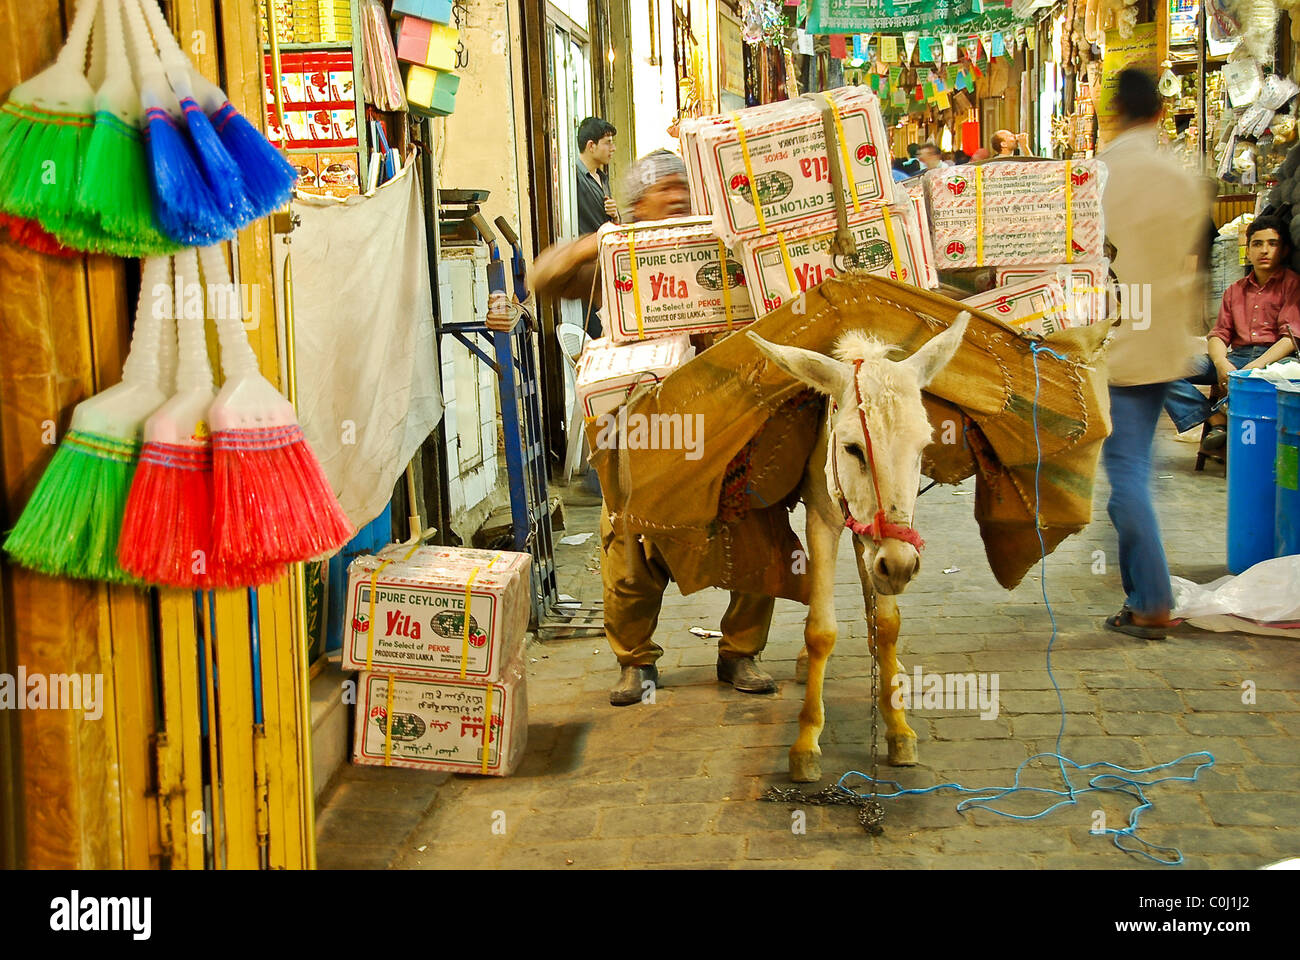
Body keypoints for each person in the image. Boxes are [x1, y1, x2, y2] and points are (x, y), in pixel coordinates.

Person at [530, 151, 781, 706]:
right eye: (665, 188)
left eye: (684, 187)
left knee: (754, 531)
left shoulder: (724, 246)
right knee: (628, 544)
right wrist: (605, 240)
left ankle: (741, 652)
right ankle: (634, 663)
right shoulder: (619, 255)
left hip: (725, 425)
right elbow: (542, 277)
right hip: (644, 432)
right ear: (638, 202)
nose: (678, 197)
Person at [1098, 68, 1212, 640]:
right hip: (1166, 341)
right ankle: (1142, 589)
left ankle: (1150, 600)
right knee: (1136, 466)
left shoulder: (1099, 174)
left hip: (1119, 342)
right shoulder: (1185, 178)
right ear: (1161, 113)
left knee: (1127, 474)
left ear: (1113, 110)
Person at [1163, 216, 1300, 447]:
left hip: (1275, 360)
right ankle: (1215, 418)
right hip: (1235, 358)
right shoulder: (1235, 290)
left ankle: (1226, 417)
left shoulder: (1292, 284)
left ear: (1284, 250)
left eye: (1272, 244)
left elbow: (1290, 338)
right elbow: (1219, 334)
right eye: (1257, 244)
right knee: (1159, 369)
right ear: (1248, 251)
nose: (1264, 250)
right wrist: (1221, 363)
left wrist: (1254, 368)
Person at [575, 117, 618, 237]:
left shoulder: (602, 178)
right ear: (591, 146)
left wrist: (615, 216)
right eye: (608, 142)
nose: (613, 148)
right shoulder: (576, 178)